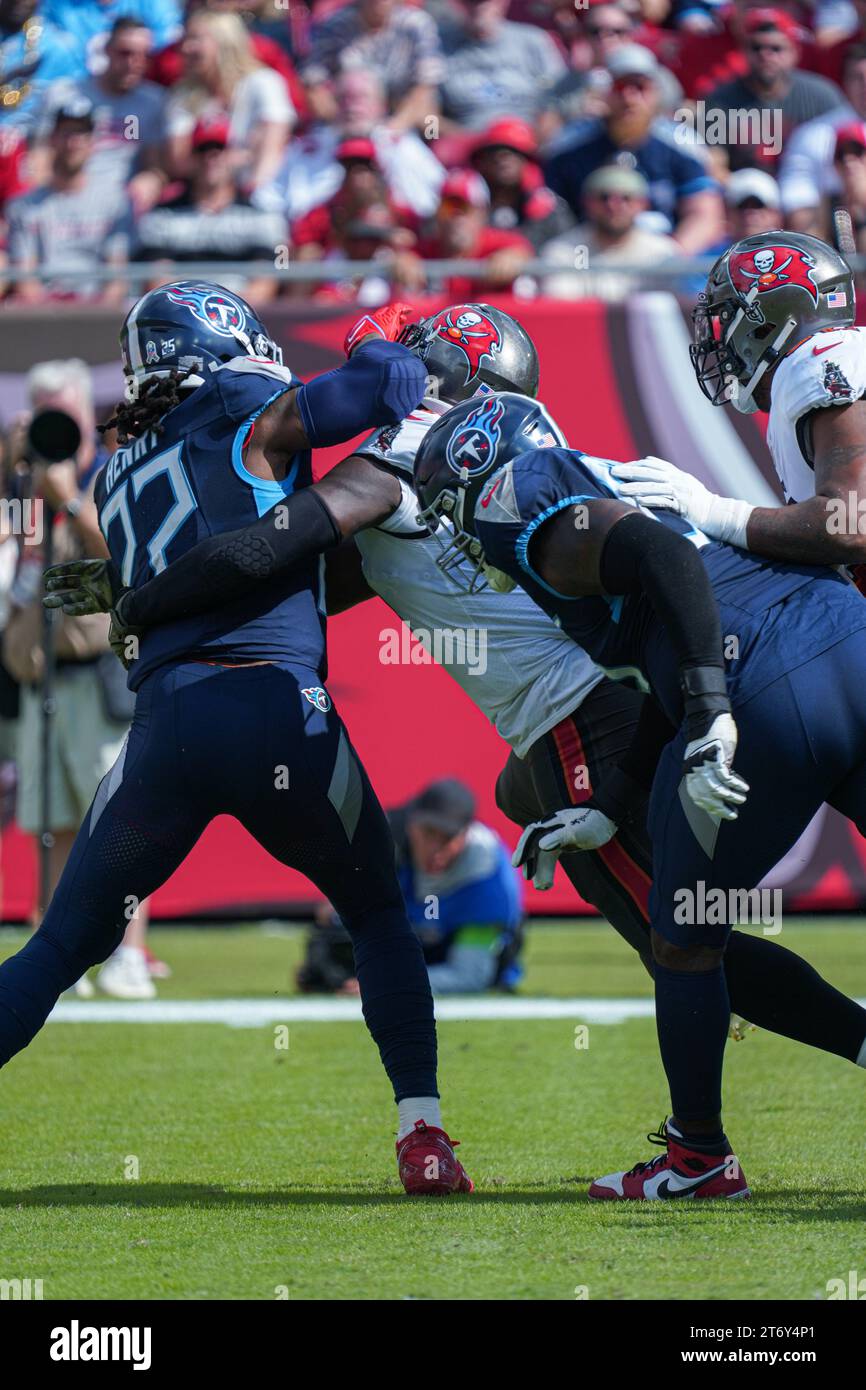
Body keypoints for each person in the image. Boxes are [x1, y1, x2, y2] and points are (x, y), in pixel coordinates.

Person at [48, 303, 866, 1101]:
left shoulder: (401, 457)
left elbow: (272, 553)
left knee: (681, 941)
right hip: (626, 701)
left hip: (586, 717)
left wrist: (142, 589)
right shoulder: (495, 460)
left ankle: (746, 1116)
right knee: (665, 916)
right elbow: (296, 578)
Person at [8, 287, 473, 1197]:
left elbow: (129, 582)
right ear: (219, 340)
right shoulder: (235, 401)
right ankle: (421, 1131)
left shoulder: (115, 472)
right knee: (377, 912)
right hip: (271, 708)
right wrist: (381, 339)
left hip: (164, 731)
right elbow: (377, 389)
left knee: (58, 949)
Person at [411, 387, 866, 1200]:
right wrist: (610, 804)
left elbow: (668, 560)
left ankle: (699, 1159)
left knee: (684, 927)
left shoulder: (528, 506)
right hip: (842, 636)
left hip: (762, 677)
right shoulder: (602, 475)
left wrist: (712, 708)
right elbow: (663, 641)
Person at [1, 359, 156, 998]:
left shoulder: (109, 477)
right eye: (44, 419)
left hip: (97, 677)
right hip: (39, 679)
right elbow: (16, 561)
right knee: (54, 820)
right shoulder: (22, 492)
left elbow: (123, 555)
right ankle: (61, 952)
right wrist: (20, 480)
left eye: (64, 416)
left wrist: (66, 494)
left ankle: (129, 953)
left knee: (116, 818)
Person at [545, 44, 724, 252]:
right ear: (605, 93)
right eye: (620, 87)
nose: (629, 99)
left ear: (656, 93)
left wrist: (671, 260)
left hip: (660, 261)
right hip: (587, 258)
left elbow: (704, 214)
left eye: (640, 88)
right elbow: (546, 214)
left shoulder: (682, 144)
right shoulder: (569, 146)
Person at [254, 68, 444, 224]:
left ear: (382, 105)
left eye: (361, 98)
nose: (352, 107)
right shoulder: (309, 147)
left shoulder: (405, 148)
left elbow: (429, 205)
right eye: (344, 98)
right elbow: (269, 199)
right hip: (317, 252)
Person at [133, 117, 285, 304]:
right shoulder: (162, 217)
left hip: (241, 318)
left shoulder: (262, 217)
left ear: (233, 155)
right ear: (191, 157)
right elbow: (158, 283)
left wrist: (224, 314)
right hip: (180, 317)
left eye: (219, 149)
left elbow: (264, 285)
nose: (211, 158)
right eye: (202, 149)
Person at [6, 97, 132, 303]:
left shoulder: (115, 201)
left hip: (100, 315)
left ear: (92, 142)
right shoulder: (24, 207)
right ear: (52, 139)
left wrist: (94, 320)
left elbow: (117, 278)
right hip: (43, 316)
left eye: (81, 134)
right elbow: (25, 280)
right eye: (66, 133)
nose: (73, 142)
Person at [40, 17, 168, 210]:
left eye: (145, 56)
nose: (134, 63)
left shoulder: (153, 102)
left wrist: (150, 180)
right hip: (63, 197)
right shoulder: (65, 94)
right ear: (107, 50)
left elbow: (155, 166)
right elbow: (40, 155)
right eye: (125, 53)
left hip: (119, 206)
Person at [165, 9, 295, 190]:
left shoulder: (264, 83)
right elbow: (179, 163)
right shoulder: (183, 94)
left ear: (224, 42)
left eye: (195, 39)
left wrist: (252, 189)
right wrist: (243, 155)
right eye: (186, 40)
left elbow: (273, 149)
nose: (186, 48)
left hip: (261, 193)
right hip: (202, 196)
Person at [702, 8, 844, 172]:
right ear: (743, 52)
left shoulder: (821, 97)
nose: (766, 55)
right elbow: (715, 163)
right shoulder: (720, 101)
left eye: (776, 48)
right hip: (746, 187)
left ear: (795, 53)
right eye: (756, 47)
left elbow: (844, 155)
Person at [301, 0, 444, 134]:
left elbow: (426, 88)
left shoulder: (417, 24)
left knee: (431, 121)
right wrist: (346, 124)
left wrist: (393, 129)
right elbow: (313, 85)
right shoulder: (335, 25)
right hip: (349, 118)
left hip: (406, 116)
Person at [540, 164, 680, 300]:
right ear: (587, 202)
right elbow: (563, 310)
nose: (614, 205)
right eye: (604, 197)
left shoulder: (663, 252)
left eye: (626, 198)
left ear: (643, 204)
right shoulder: (561, 251)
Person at [437, 0, 567, 132]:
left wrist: (538, 139)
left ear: (503, 2)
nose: (478, 7)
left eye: (485, 1)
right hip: (465, 138)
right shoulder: (438, 43)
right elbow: (426, 112)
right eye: (471, 1)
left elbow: (558, 98)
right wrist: (460, 139)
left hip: (528, 136)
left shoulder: (534, 40)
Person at [778, 42, 866, 237]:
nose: (865, 84)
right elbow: (798, 206)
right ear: (844, 82)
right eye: (858, 78)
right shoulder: (812, 135)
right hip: (834, 236)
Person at [469, 118, 574, 251]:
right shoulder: (470, 206)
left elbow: (565, 249)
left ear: (528, 160)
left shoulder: (550, 208)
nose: (502, 160)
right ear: (481, 163)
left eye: (512, 153)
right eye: (494, 153)